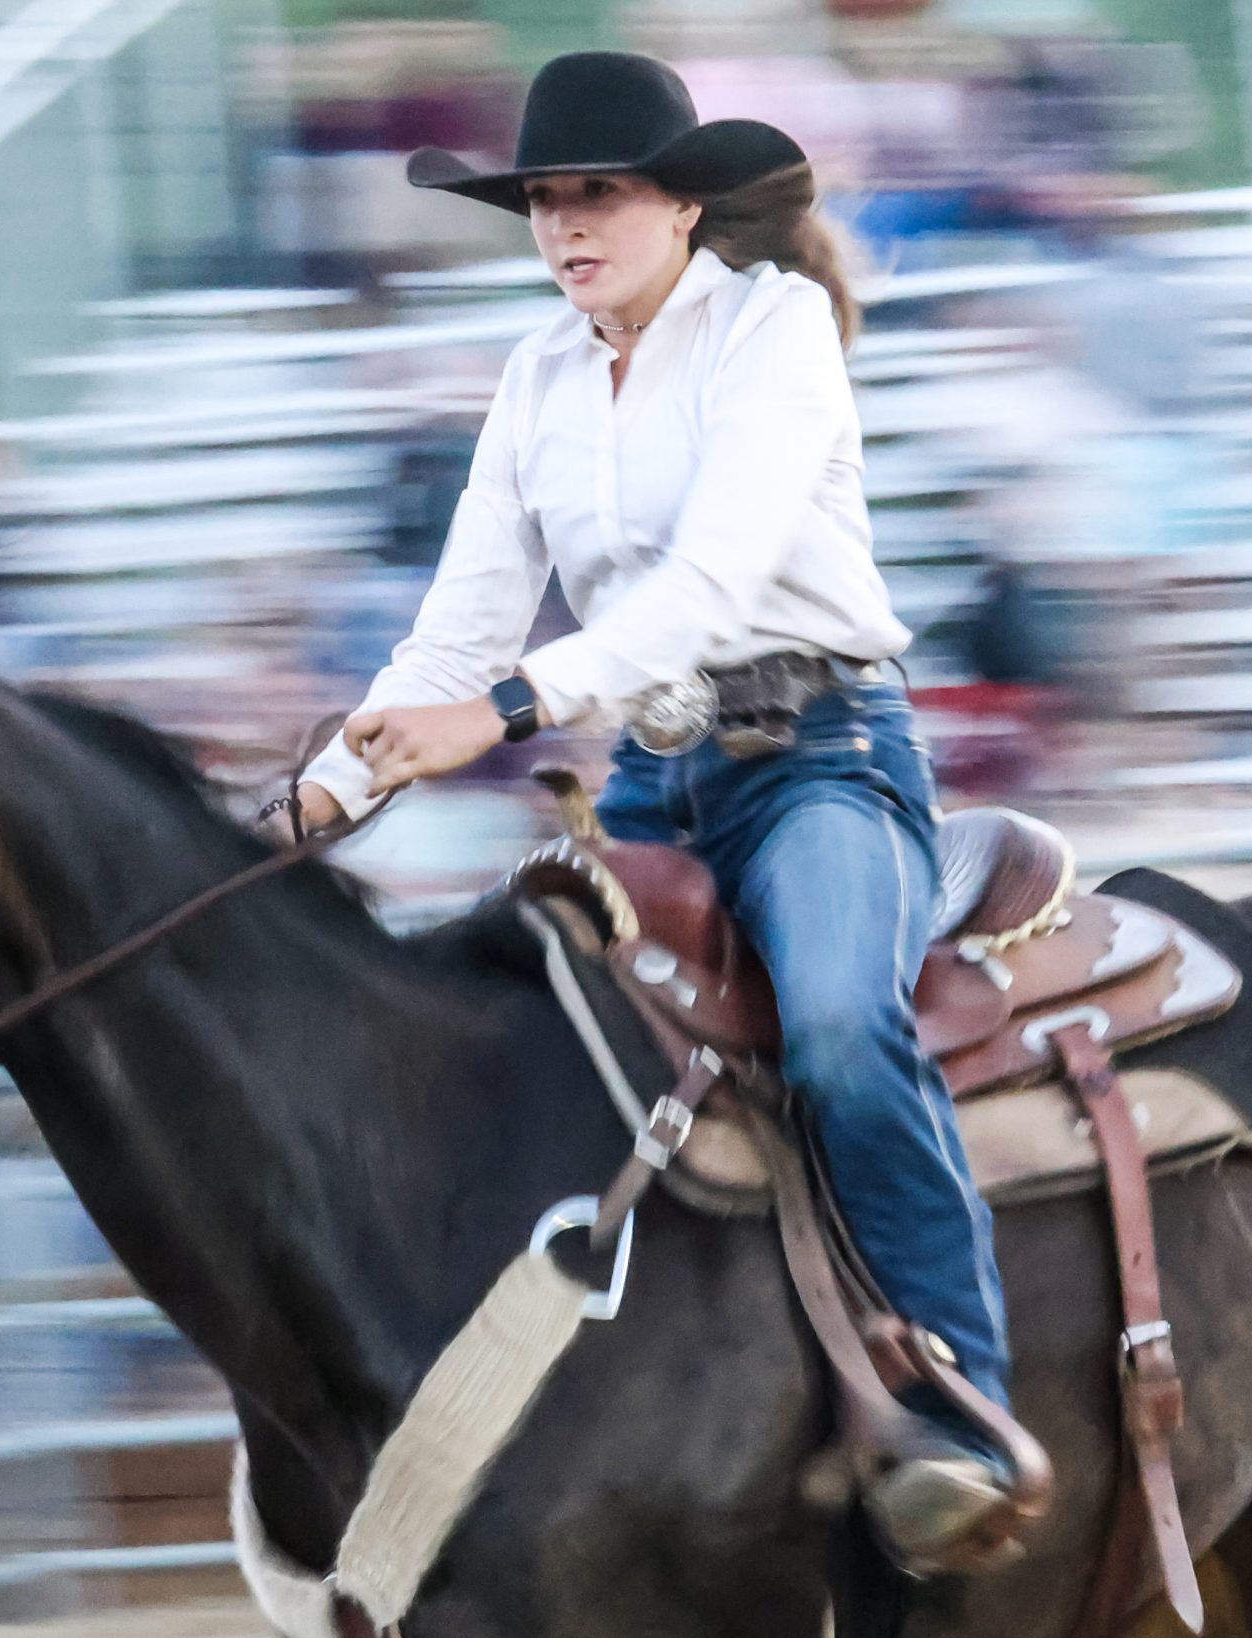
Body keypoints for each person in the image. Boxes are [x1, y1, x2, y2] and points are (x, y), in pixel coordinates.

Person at [295, 51, 1020, 1555]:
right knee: (527, 1058)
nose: (565, 227)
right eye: (544, 201)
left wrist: (497, 714)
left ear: (683, 209)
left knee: (833, 1020)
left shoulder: (779, 330)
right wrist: (318, 794)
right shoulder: (536, 377)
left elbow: (709, 587)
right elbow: (454, 630)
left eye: (597, 196)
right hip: (648, 778)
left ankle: (966, 1396)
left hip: (822, 755)